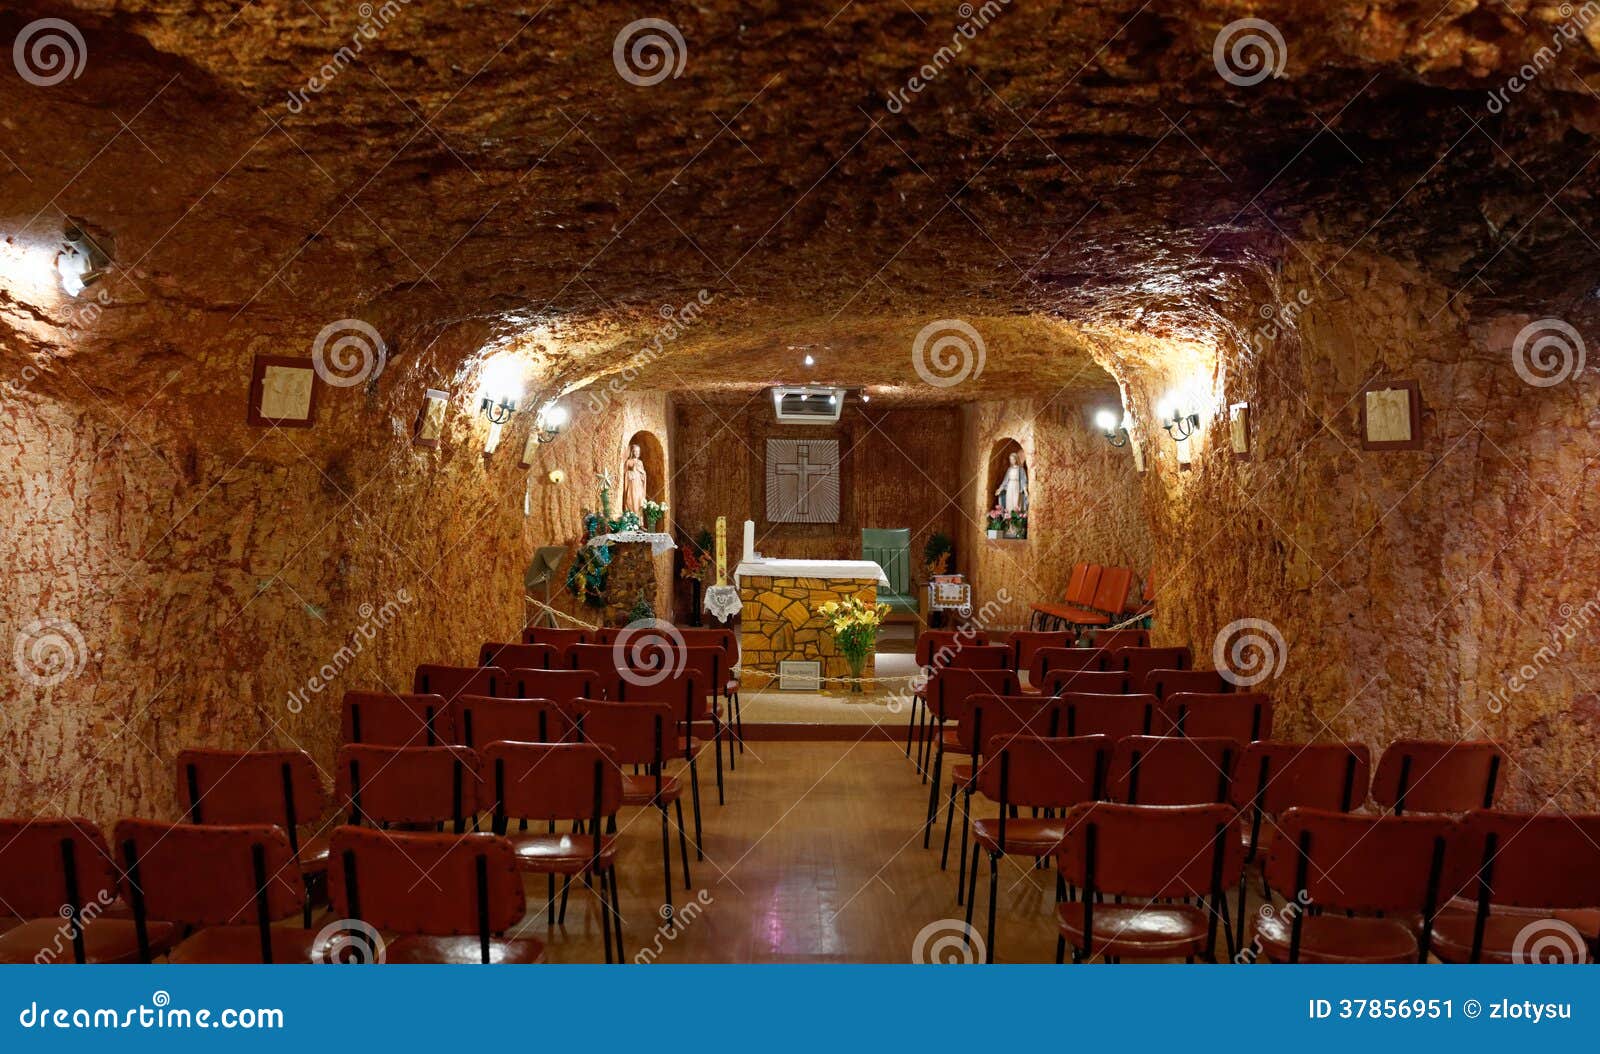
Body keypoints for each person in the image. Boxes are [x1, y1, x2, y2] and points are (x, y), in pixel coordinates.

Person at [621, 444, 647, 515]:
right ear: (632, 452)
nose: (637, 453)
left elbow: (643, 475)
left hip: (639, 485)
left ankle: (639, 522)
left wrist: (642, 472)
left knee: (639, 501)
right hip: (632, 485)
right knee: (632, 500)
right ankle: (631, 518)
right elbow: (625, 474)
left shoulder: (640, 462)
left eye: (638, 451)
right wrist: (632, 471)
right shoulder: (628, 462)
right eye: (635, 451)